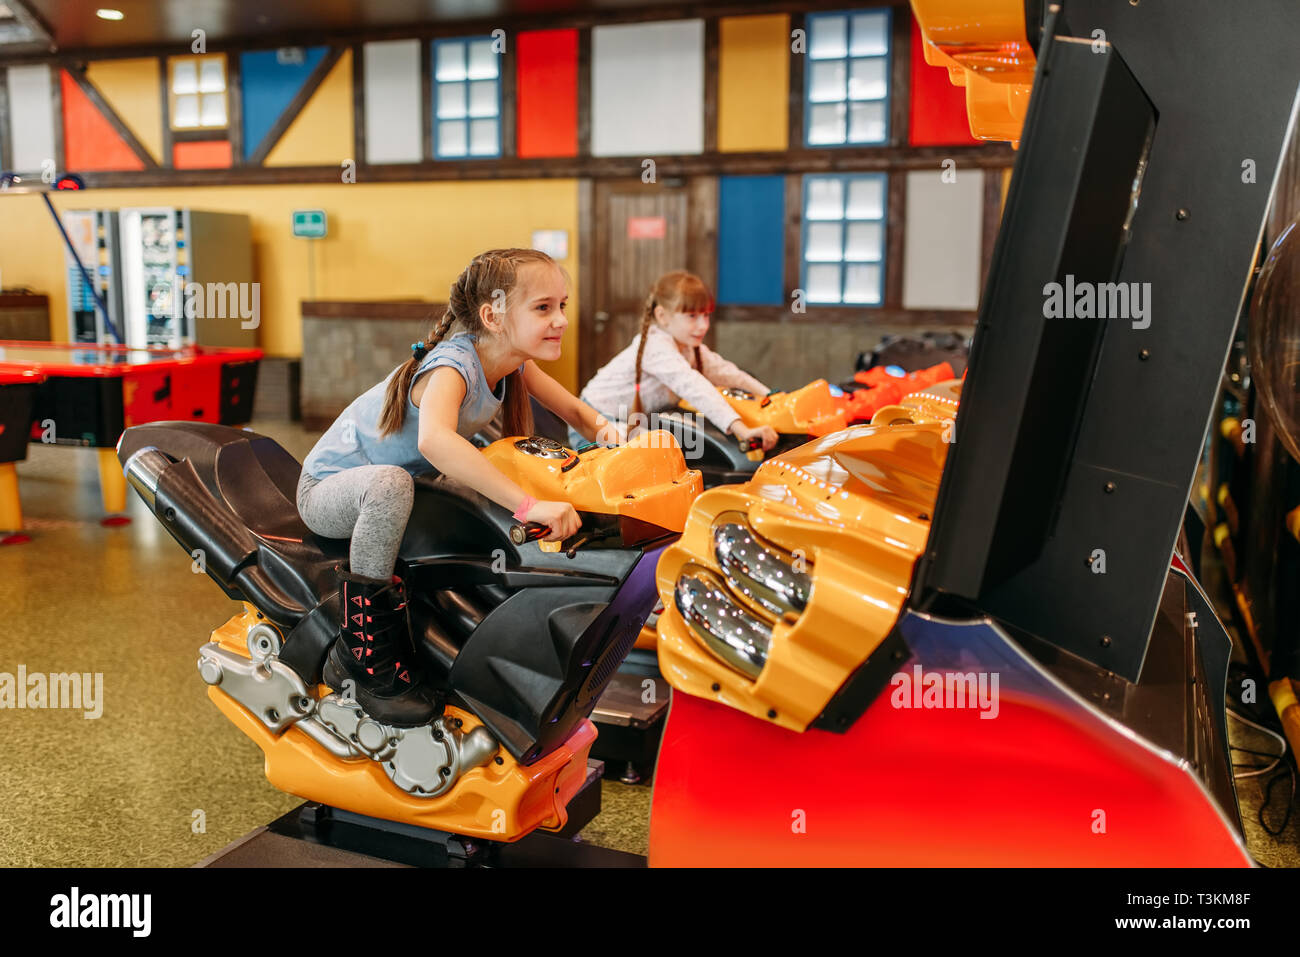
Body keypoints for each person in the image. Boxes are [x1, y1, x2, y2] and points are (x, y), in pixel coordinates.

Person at [296, 248, 622, 726]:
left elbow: (577, 413)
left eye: (563, 305)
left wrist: (618, 438)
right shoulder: (453, 366)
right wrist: (529, 505)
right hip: (329, 491)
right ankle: (361, 651)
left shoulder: (512, 363)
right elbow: (435, 443)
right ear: (493, 316)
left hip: (401, 493)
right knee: (392, 484)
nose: (561, 320)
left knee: (457, 491)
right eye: (543, 307)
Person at [579, 270, 779, 451]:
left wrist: (771, 396)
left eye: (706, 315)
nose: (703, 326)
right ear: (662, 316)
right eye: (692, 316)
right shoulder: (656, 347)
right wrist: (742, 430)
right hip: (593, 420)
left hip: (630, 422)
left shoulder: (690, 348)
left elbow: (729, 374)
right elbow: (694, 387)